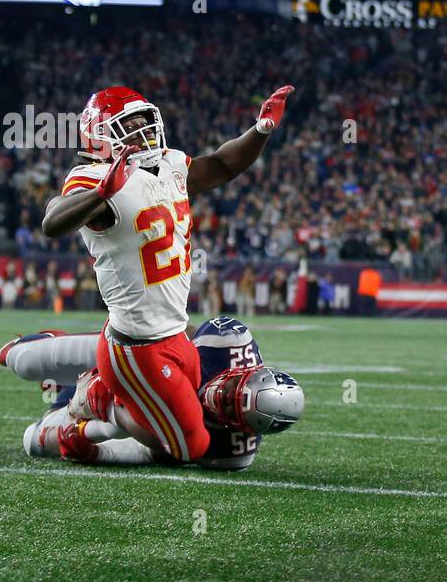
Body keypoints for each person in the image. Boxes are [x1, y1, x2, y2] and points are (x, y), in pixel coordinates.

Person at [41, 83, 294, 464]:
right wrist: (100, 195)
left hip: (175, 332)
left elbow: (223, 164)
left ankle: (105, 393)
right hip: (137, 345)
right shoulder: (94, 177)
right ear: (100, 136)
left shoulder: (169, 165)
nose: (144, 132)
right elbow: (52, 222)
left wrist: (259, 131)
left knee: (183, 414)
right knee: (189, 447)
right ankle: (95, 406)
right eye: (131, 125)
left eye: (146, 122)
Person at [0, 317, 303, 471]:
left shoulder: (231, 453)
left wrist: (96, 444)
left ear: (240, 426)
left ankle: (77, 393)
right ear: (243, 371)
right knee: (20, 359)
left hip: (125, 414)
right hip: (141, 363)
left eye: (227, 406)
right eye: (230, 388)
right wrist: (117, 363)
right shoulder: (227, 341)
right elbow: (159, 336)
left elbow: (154, 452)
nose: (218, 395)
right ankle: (65, 369)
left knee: (34, 441)